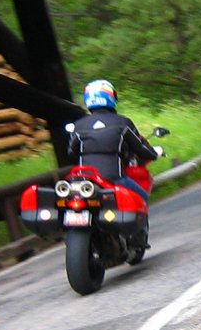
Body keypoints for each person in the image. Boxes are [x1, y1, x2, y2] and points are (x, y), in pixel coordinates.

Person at [65, 78, 162, 250]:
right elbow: (140, 147)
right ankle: (137, 237)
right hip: (112, 178)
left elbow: (71, 153)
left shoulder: (78, 126)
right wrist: (153, 154)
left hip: (83, 181)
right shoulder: (123, 123)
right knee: (141, 196)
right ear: (111, 97)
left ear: (88, 99)